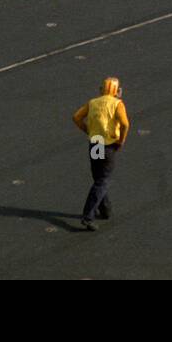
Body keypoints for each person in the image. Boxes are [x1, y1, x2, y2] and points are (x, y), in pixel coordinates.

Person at [73, 76, 130, 230]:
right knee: (103, 180)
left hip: (95, 142)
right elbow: (125, 124)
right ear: (117, 91)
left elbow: (77, 117)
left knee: (98, 177)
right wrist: (121, 141)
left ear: (101, 89)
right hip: (108, 146)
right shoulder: (117, 104)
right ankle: (88, 216)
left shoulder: (93, 102)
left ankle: (105, 210)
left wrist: (88, 130)